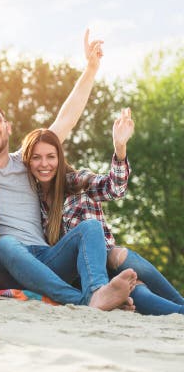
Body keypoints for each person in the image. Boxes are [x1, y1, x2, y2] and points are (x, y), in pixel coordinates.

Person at [0, 30, 137, 310]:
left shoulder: (27, 161)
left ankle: (97, 292)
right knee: (7, 244)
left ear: (7, 127)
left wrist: (91, 69)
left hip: (46, 259)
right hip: (6, 262)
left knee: (90, 227)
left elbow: (67, 118)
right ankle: (84, 300)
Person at [22, 110, 184, 315]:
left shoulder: (76, 181)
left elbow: (114, 188)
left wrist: (120, 148)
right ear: (28, 161)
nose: (44, 164)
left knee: (122, 259)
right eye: (36, 158)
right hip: (82, 277)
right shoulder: (30, 199)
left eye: (50, 157)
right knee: (134, 287)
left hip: (109, 262)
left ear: (59, 158)